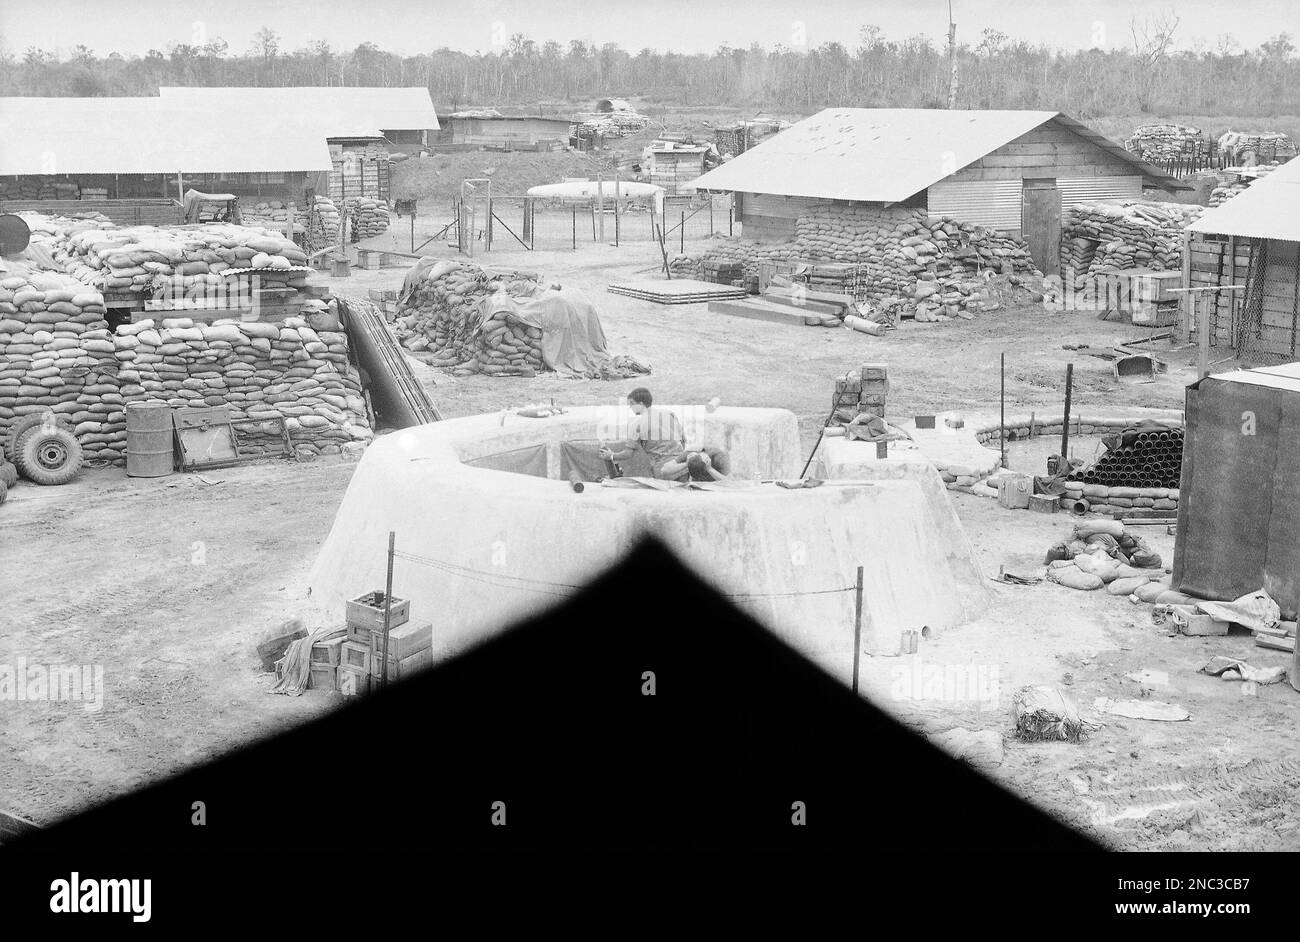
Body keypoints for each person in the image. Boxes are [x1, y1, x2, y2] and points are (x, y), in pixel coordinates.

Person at [600, 387, 689, 481]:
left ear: (641, 403)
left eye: (632, 403)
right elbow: (683, 440)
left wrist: (611, 455)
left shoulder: (637, 424)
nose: (630, 407)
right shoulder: (670, 414)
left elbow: (628, 453)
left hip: (663, 471)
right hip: (682, 468)